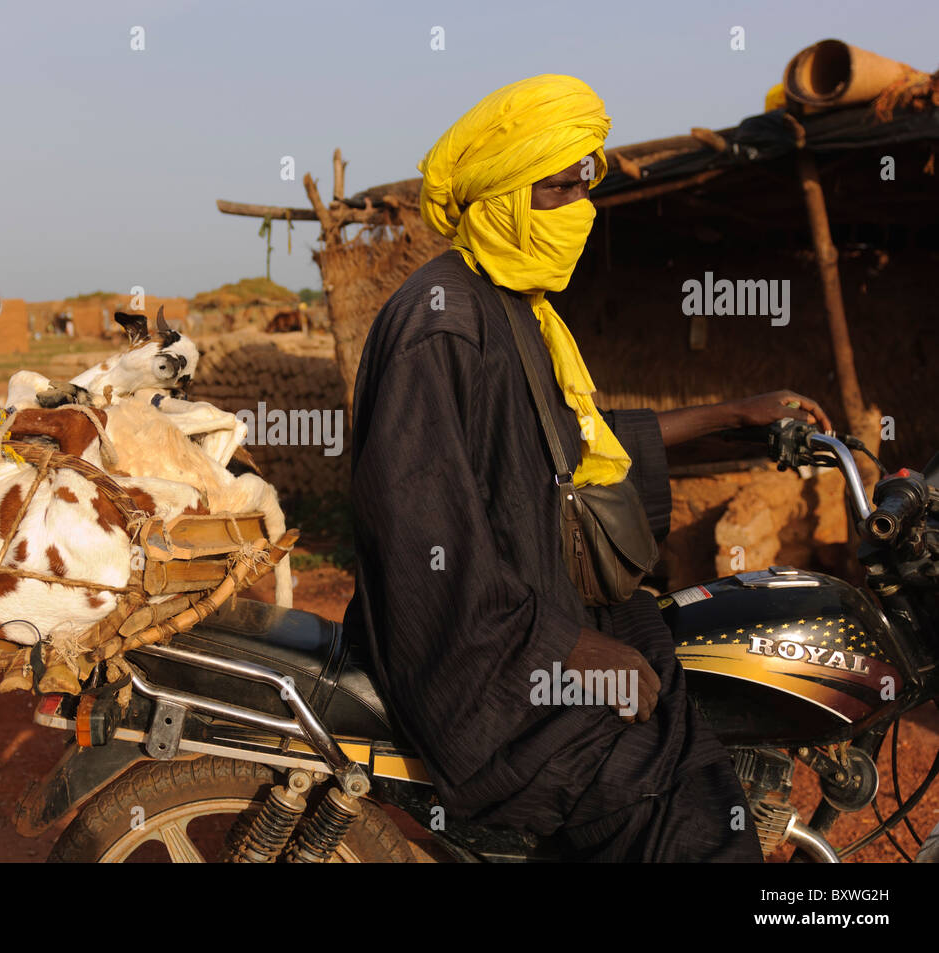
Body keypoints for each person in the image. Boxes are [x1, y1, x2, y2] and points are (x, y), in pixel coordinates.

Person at [342, 75, 832, 862]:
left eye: (585, 184)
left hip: (548, 621)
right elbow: (420, 538)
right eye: (558, 188)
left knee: (692, 673)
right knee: (684, 819)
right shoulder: (441, 322)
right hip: (481, 670)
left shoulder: (512, 305)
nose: (582, 207)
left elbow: (574, 454)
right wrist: (566, 650)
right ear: (503, 194)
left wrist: (732, 413)